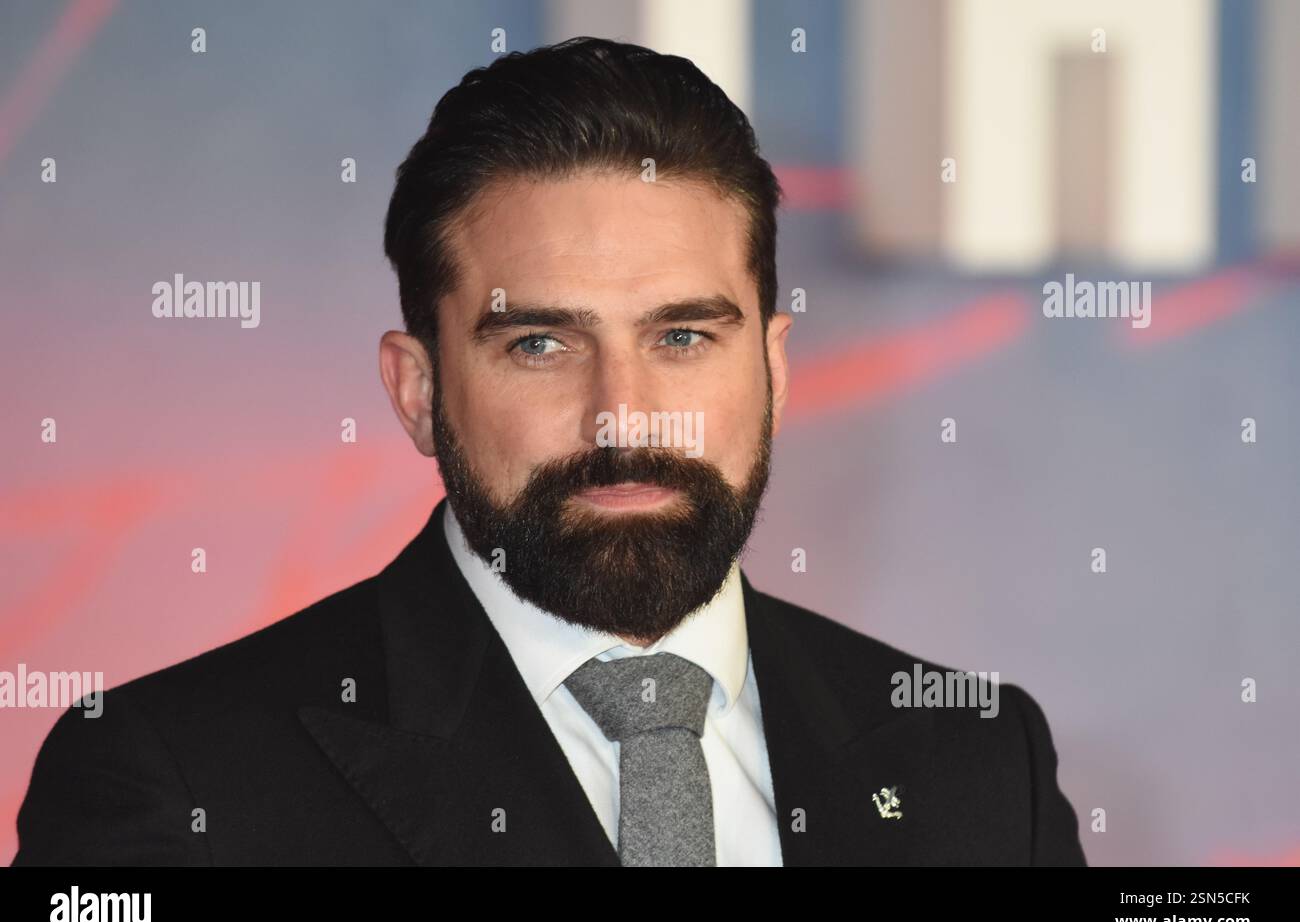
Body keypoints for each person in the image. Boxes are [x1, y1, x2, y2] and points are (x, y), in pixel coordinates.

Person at [12, 36, 1085, 866]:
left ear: (773, 367)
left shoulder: (977, 761)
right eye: (539, 342)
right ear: (418, 390)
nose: (623, 415)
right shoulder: (174, 778)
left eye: (681, 337)